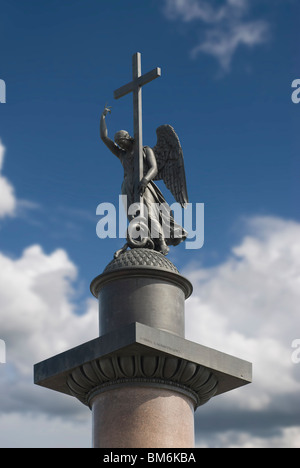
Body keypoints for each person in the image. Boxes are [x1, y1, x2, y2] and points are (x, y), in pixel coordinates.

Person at [100, 106, 187, 255]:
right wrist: (102, 118)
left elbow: (154, 168)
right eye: (118, 144)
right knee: (133, 217)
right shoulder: (122, 155)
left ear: (128, 138)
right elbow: (104, 138)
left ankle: (161, 243)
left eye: (122, 142)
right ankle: (142, 240)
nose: (120, 145)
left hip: (144, 184)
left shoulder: (145, 150)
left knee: (149, 214)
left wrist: (145, 180)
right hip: (127, 186)